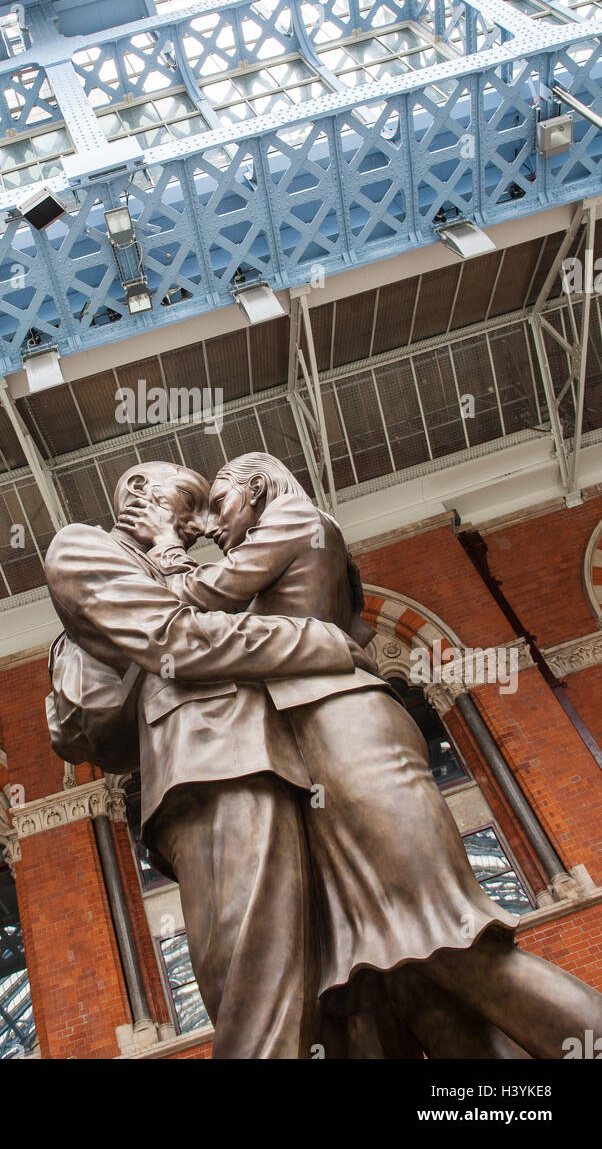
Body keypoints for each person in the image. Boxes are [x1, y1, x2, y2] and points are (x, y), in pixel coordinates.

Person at [123, 451, 602, 1060]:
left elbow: (196, 598)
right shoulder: (287, 547)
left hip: (345, 727)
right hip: (314, 744)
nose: (213, 526)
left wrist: (166, 545)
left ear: (258, 486)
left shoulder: (294, 520)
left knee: (447, 940)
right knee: (411, 979)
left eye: (220, 505)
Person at [44, 460, 382, 1058]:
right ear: (139, 492)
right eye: (193, 501)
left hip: (273, 761)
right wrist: (320, 641)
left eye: (210, 507)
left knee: (334, 989)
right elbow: (177, 642)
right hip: (215, 765)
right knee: (258, 984)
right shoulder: (82, 548)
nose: (203, 524)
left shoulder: (182, 566)